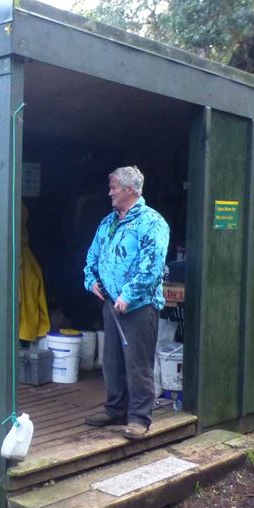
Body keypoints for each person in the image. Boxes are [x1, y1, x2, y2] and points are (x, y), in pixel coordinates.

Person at [82, 165, 169, 440]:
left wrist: (128, 295)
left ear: (129, 190)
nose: (109, 193)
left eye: (114, 188)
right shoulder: (108, 222)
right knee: (112, 361)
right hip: (110, 303)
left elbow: (153, 264)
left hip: (139, 306)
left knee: (137, 363)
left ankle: (139, 418)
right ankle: (115, 410)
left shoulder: (152, 222)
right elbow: (92, 256)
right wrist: (90, 280)